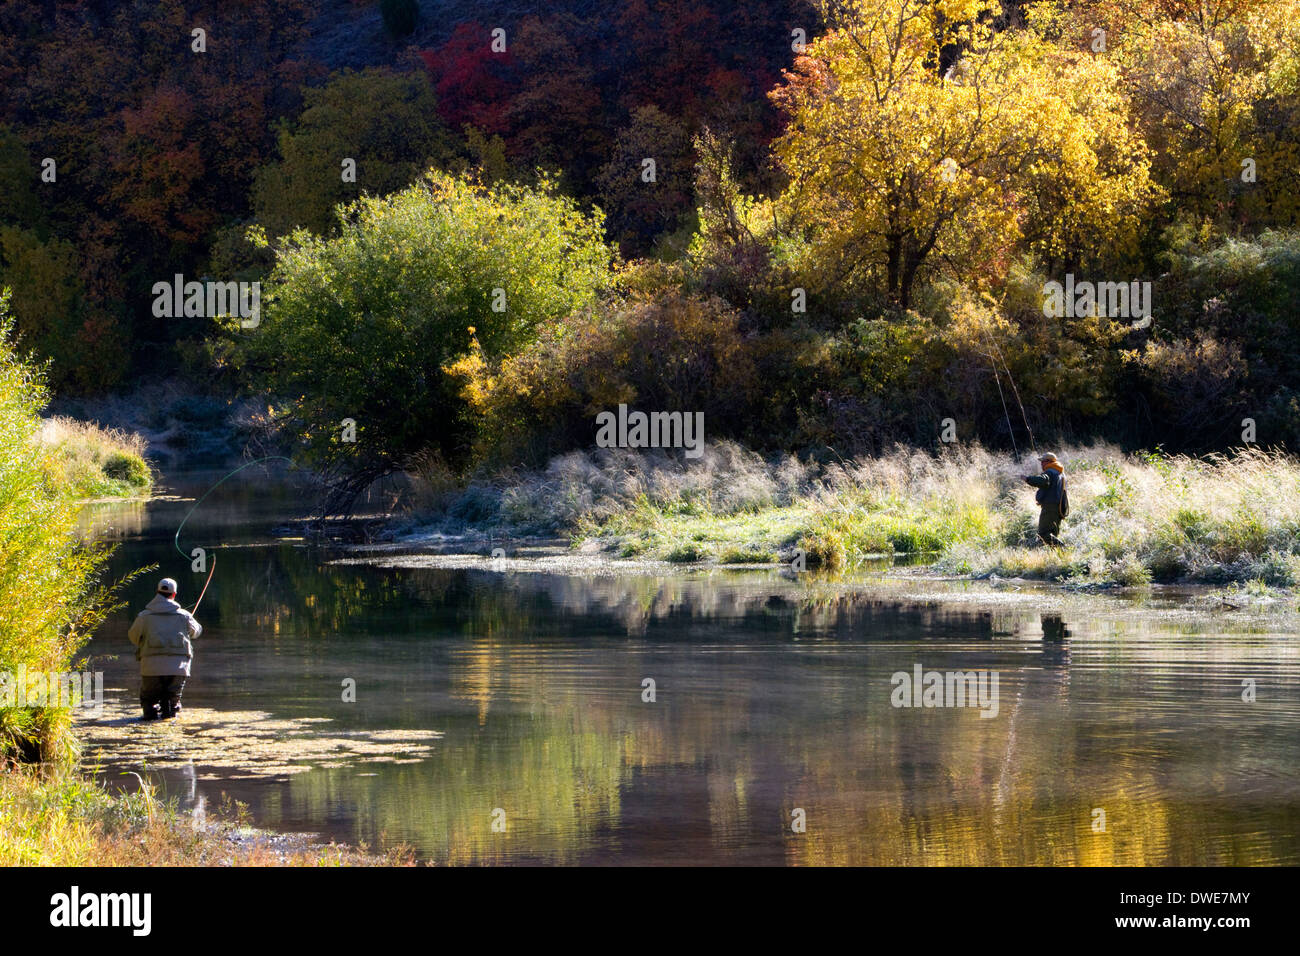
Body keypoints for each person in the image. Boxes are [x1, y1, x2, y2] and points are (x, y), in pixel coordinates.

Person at [127, 577, 200, 720]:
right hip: (178, 668)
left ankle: (149, 719)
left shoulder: (143, 616)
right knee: (172, 703)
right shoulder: (184, 615)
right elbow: (196, 632)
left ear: (157, 592)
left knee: (149, 701)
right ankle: (171, 715)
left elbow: (133, 637)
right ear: (174, 594)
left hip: (150, 667)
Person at [1024, 452, 1069, 547]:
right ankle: (1059, 557)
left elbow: (1043, 480)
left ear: (1048, 461)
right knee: (1053, 534)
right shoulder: (1060, 473)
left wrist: (1028, 479)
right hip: (1059, 508)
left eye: (1043, 461)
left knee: (1043, 535)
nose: (1041, 464)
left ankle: (1064, 549)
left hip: (1050, 507)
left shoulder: (1050, 472)